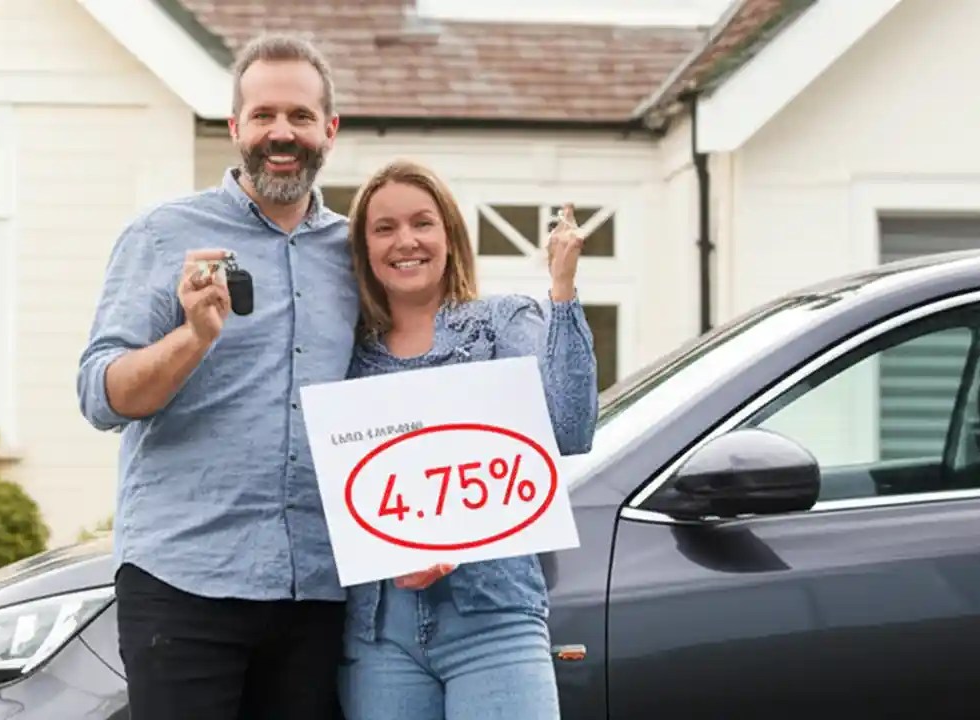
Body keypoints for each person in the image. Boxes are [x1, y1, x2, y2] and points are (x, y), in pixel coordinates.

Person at [75, 33, 356, 720]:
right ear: (235, 127)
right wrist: (194, 336)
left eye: (300, 116)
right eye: (263, 116)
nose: (281, 132)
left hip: (319, 588)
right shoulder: (163, 235)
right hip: (185, 583)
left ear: (329, 130)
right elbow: (100, 395)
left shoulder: (356, 253)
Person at [336, 159, 599, 720]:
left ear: (450, 235)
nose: (406, 241)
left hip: (494, 621)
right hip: (380, 636)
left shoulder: (502, 323)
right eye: (384, 228)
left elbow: (570, 428)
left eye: (422, 223)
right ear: (363, 248)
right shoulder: (346, 351)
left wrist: (562, 289)